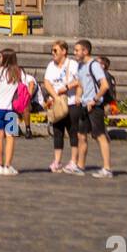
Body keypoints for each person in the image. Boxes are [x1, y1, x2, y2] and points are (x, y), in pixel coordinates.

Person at [0, 48, 36, 176]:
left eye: (0, 57)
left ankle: (0, 165)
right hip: (10, 109)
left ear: (5, 58)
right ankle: (8, 165)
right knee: (10, 137)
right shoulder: (17, 73)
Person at [74, 39, 112, 177]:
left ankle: (107, 168)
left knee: (100, 136)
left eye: (77, 50)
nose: (75, 53)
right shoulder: (80, 66)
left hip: (95, 106)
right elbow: (81, 85)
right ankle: (80, 166)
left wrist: (94, 100)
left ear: (85, 51)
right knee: (81, 135)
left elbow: (104, 85)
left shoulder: (94, 65)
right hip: (84, 106)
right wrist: (79, 96)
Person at [43, 40, 81, 173]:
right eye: (52, 50)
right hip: (57, 103)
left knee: (72, 131)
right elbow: (47, 82)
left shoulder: (73, 64)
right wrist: (55, 96)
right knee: (57, 132)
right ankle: (57, 161)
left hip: (71, 102)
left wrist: (67, 87)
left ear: (64, 51)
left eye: (55, 50)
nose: (53, 53)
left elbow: (80, 80)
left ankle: (73, 161)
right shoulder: (51, 65)